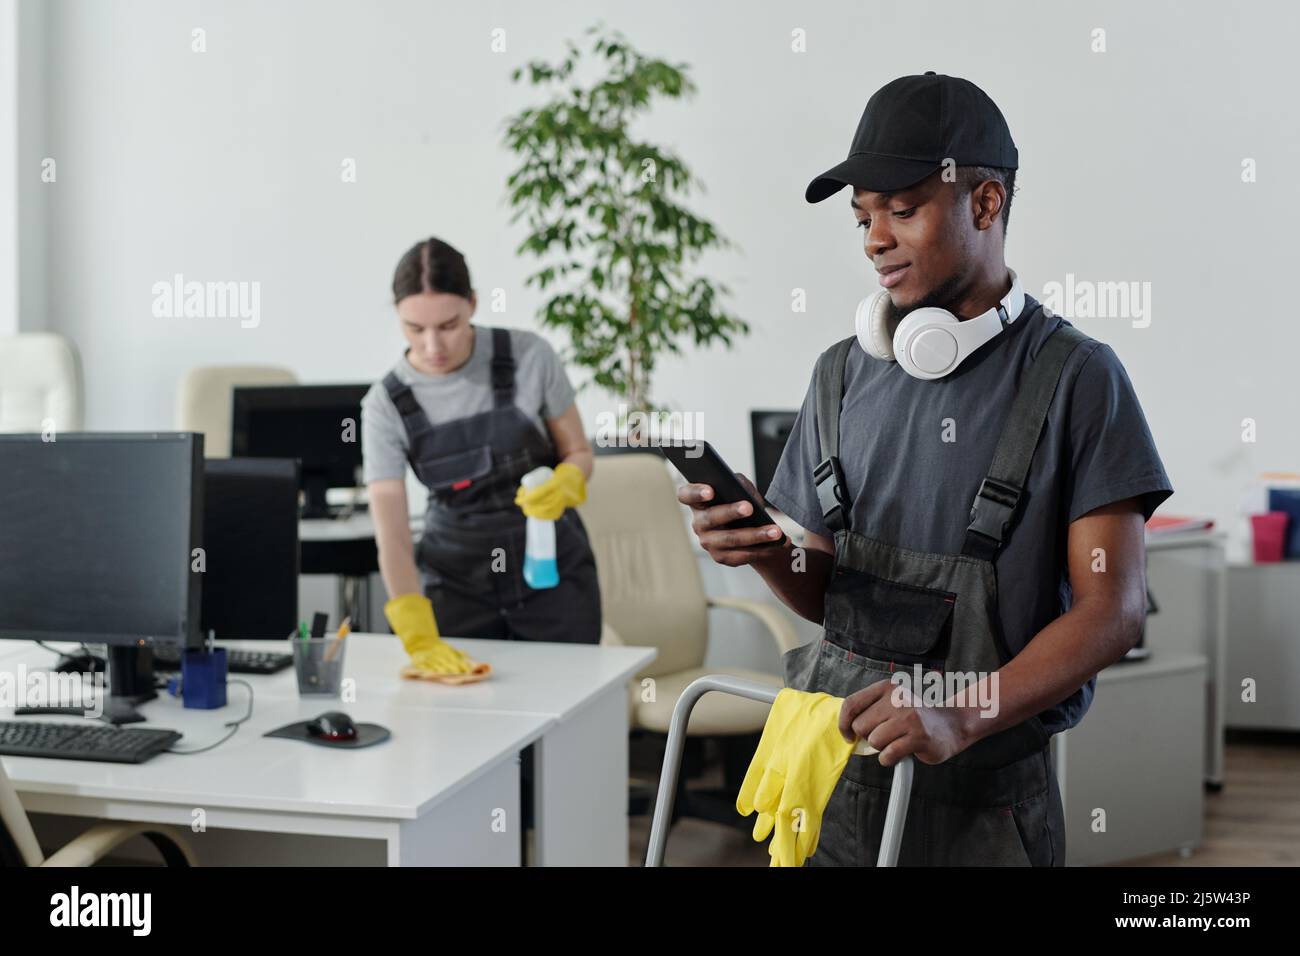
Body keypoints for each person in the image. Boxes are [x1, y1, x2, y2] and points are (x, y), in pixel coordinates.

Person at [681, 73, 1173, 865]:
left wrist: (961, 712)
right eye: (863, 217)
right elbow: (830, 596)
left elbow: (1113, 609)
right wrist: (766, 547)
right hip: (838, 790)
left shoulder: (1078, 378)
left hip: (985, 812)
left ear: (983, 204)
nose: (875, 238)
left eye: (902, 210)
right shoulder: (841, 374)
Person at [361, 237, 601, 678]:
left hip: (552, 575)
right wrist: (418, 634)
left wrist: (567, 481)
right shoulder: (385, 405)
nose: (433, 345)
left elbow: (579, 452)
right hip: (457, 584)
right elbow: (392, 536)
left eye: (448, 325)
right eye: (415, 328)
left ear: (472, 303)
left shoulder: (530, 356)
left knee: (568, 706)